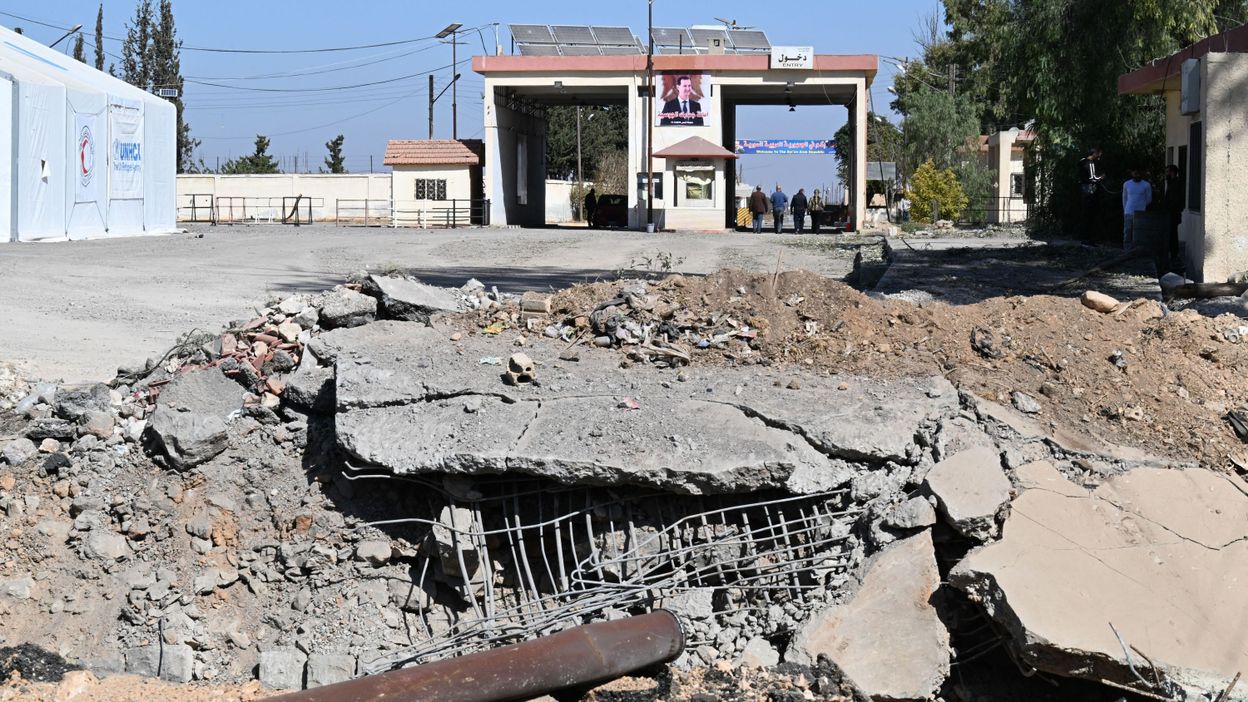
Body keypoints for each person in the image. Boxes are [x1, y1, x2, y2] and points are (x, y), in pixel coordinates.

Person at [1077, 147, 1104, 245]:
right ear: (1094, 154)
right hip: (1090, 191)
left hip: (1082, 190)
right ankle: (1088, 239)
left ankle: (1084, 238)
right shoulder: (1090, 163)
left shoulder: (1081, 161)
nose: (1099, 157)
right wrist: (1100, 178)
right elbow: (1092, 177)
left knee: (1085, 214)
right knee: (1091, 215)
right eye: (1098, 155)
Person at [1121, 168, 1152, 248]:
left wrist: (1142, 206)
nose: (1137, 175)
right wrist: (1125, 209)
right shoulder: (1126, 184)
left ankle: (1138, 250)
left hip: (1141, 212)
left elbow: (1149, 199)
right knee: (1127, 231)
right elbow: (1124, 198)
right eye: (1135, 173)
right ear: (1132, 173)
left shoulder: (1146, 185)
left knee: (1139, 232)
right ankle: (1126, 250)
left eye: (1138, 173)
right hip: (1129, 212)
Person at [1162, 164, 1184, 262]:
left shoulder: (1176, 183)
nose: (1166, 174)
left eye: (1167, 172)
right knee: (1171, 233)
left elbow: (1175, 200)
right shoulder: (1171, 183)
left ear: (1172, 172)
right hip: (1170, 213)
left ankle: (1174, 254)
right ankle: (1172, 253)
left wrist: (1170, 209)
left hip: (1173, 213)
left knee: (1173, 234)